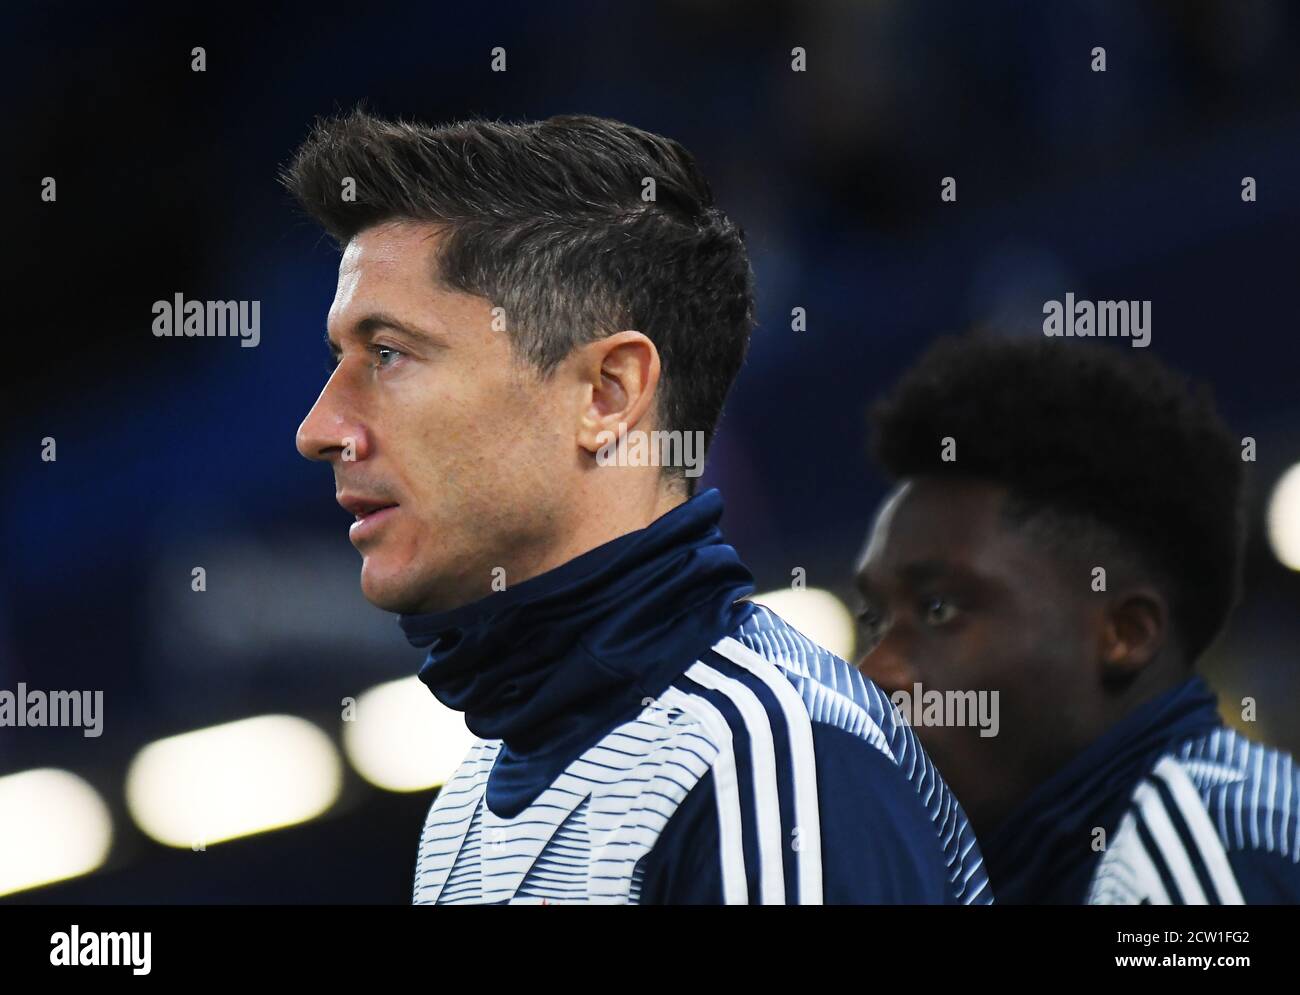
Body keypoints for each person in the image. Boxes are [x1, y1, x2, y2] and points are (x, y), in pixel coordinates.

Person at [284, 109, 989, 904]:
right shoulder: (467, 805)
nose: (320, 428)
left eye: (387, 353)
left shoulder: (764, 756)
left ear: (608, 393)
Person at [854, 335, 1300, 903]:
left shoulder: (1194, 865)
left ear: (1125, 634)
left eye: (938, 608)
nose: (875, 672)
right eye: (874, 620)